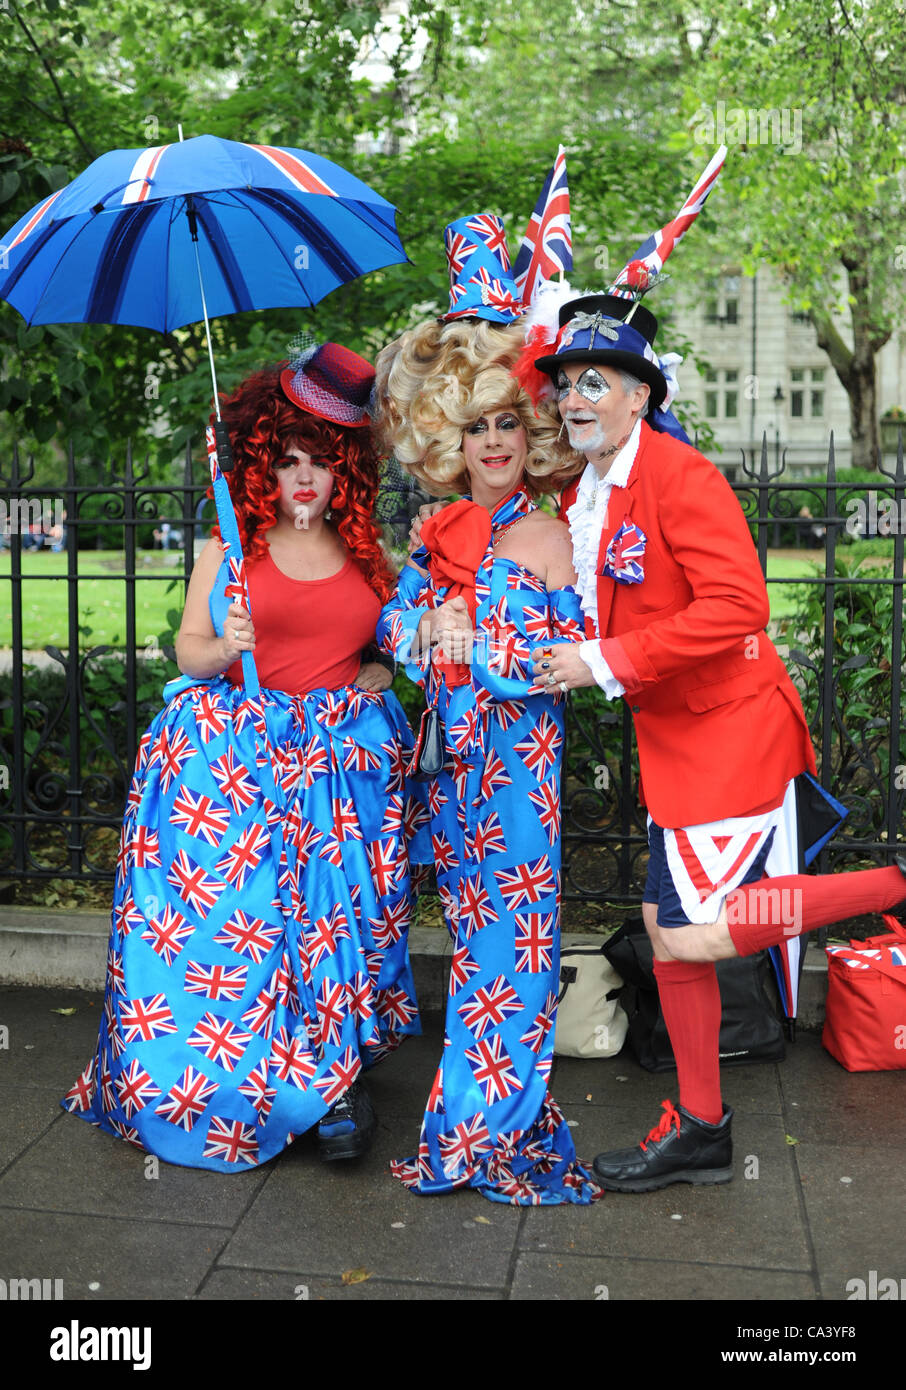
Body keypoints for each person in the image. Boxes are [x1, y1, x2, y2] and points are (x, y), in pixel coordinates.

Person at [526, 289, 906, 1192]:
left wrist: (602, 658)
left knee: (695, 939)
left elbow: (740, 610)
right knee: (667, 931)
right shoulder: (588, 491)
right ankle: (701, 1126)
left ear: (640, 398)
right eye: (567, 384)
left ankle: (896, 882)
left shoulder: (679, 476)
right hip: (675, 745)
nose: (575, 398)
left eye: (597, 382)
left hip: (731, 737)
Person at [63, 343, 429, 1171]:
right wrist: (221, 644)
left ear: (346, 473)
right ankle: (247, 1083)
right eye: (290, 460)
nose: (306, 478)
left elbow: (386, 642)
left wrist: (379, 668)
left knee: (334, 926)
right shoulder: (229, 551)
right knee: (251, 934)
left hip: (340, 774)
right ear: (266, 463)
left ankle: (334, 1083)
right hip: (240, 769)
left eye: (323, 462)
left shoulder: (367, 556)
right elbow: (186, 654)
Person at [373, 213, 602, 1206]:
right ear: (447, 435)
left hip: (517, 778)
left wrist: (479, 641)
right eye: (476, 424)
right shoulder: (441, 529)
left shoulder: (551, 537)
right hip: (449, 776)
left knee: (512, 956)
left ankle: (480, 1136)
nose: (496, 440)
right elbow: (389, 629)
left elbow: (573, 661)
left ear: (534, 429)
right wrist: (427, 629)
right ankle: (467, 1126)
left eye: (509, 421)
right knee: (476, 954)